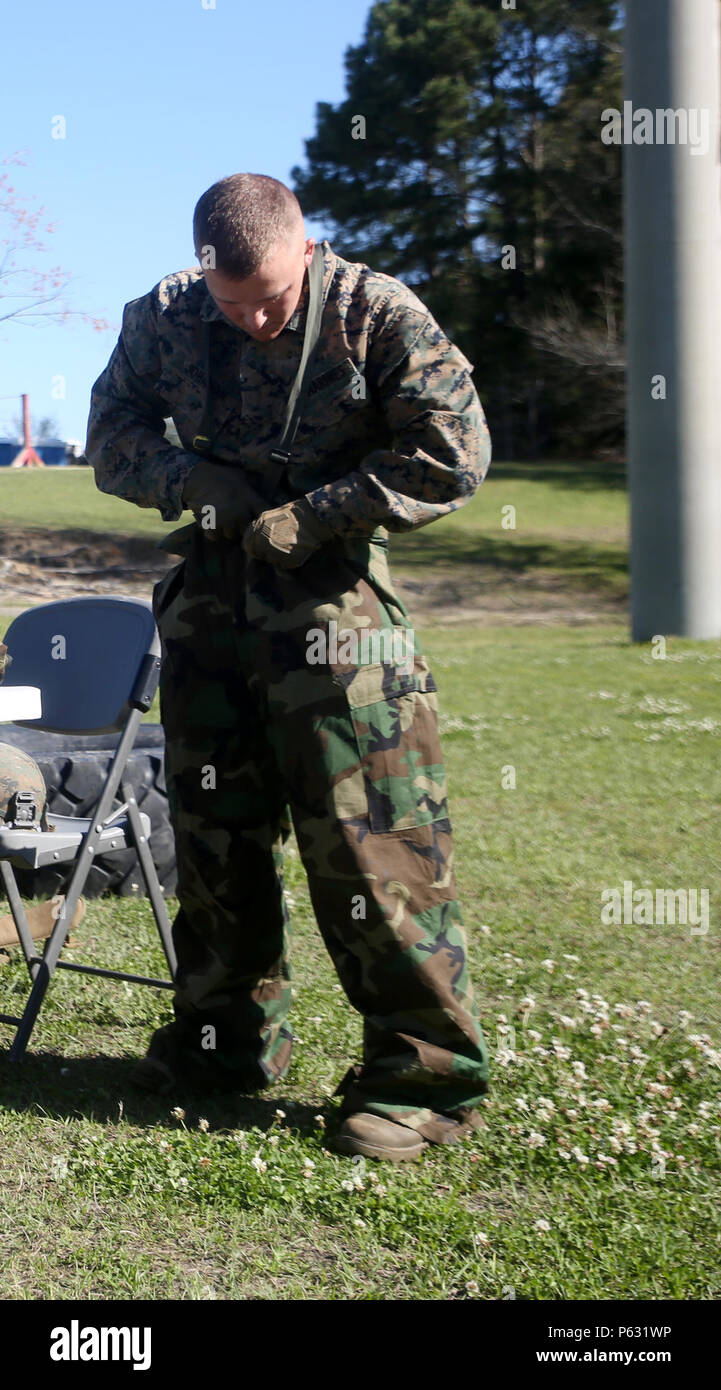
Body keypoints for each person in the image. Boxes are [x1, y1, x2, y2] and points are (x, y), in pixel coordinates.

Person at [85, 173, 492, 1162]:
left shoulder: (376, 310)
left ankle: (422, 1077)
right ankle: (226, 1043)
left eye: (269, 297)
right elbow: (113, 438)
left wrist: (318, 510)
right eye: (234, 304)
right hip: (214, 609)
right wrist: (196, 483)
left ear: (304, 250)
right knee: (214, 840)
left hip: (339, 617)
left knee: (371, 845)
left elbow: (454, 450)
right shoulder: (166, 316)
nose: (255, 317)